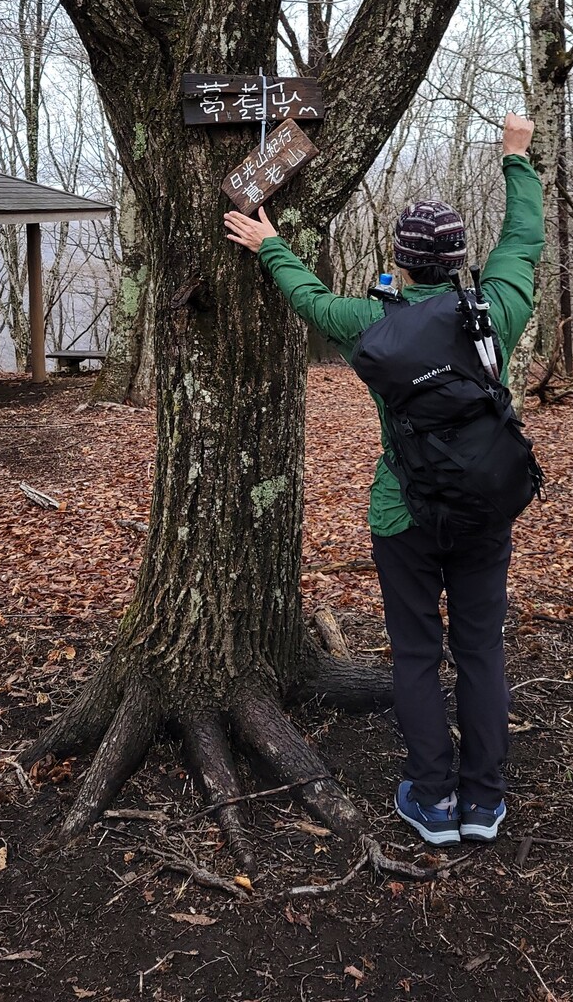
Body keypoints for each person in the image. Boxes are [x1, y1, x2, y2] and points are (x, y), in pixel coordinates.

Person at [224, 112, 544, 845]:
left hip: (402, 513)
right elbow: (524, 240)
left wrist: (271, 244)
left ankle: (431, 801)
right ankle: (483, 802)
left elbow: (307, 298)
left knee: (415, 654)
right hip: (484, 510)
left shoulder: (371, 323)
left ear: (398, 261)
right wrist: (514, 158)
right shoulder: (497, 309)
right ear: (461, 260)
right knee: (480, 650)